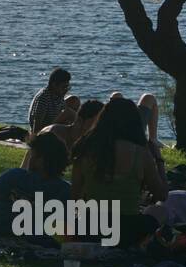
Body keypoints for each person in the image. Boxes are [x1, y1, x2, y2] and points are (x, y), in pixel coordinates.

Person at [71, 96, 167, 247]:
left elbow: (75, 197)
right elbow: (162, 194)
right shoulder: (141, 153)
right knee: (160, 211)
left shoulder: (85, 148)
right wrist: (159, 161)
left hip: (89, 229)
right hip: (127, 232)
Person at [28, 68, 72, 134]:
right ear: (54, 85)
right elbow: (37, 123)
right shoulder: (43, 97)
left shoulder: (58, 95)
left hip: (52, 124)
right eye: (64, 87)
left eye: (68, 87)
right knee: (69, 113)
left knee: (74, 100)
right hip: (44, 131)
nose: (66, 90)